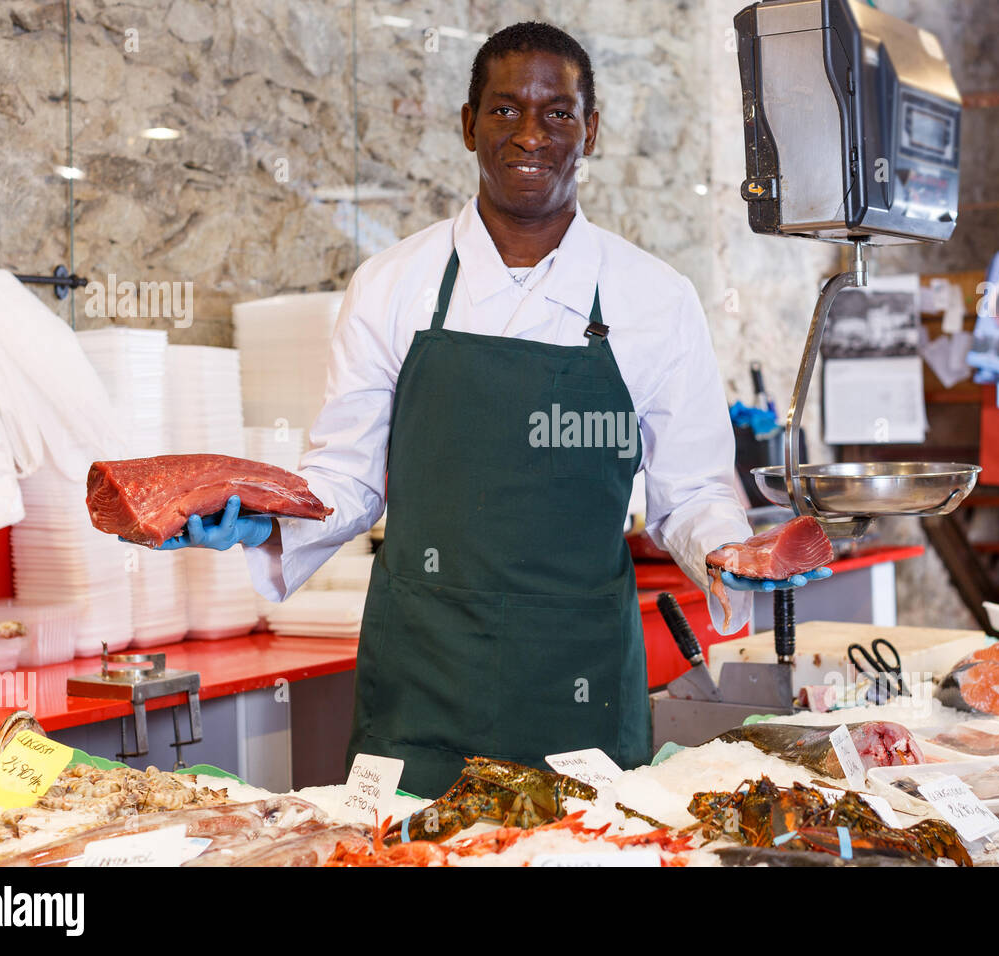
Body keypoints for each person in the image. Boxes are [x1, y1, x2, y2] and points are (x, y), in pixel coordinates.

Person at [153, 21, 829, 796]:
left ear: (591, 130)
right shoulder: (391, 284)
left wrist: (728, 552)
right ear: (468, 125)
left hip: (580, 681)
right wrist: (265, 515)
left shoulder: (656, 298)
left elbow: (696, 491)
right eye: (505, 110)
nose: (531, 133)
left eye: (558, 112)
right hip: (422, 679)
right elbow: (346, 472)